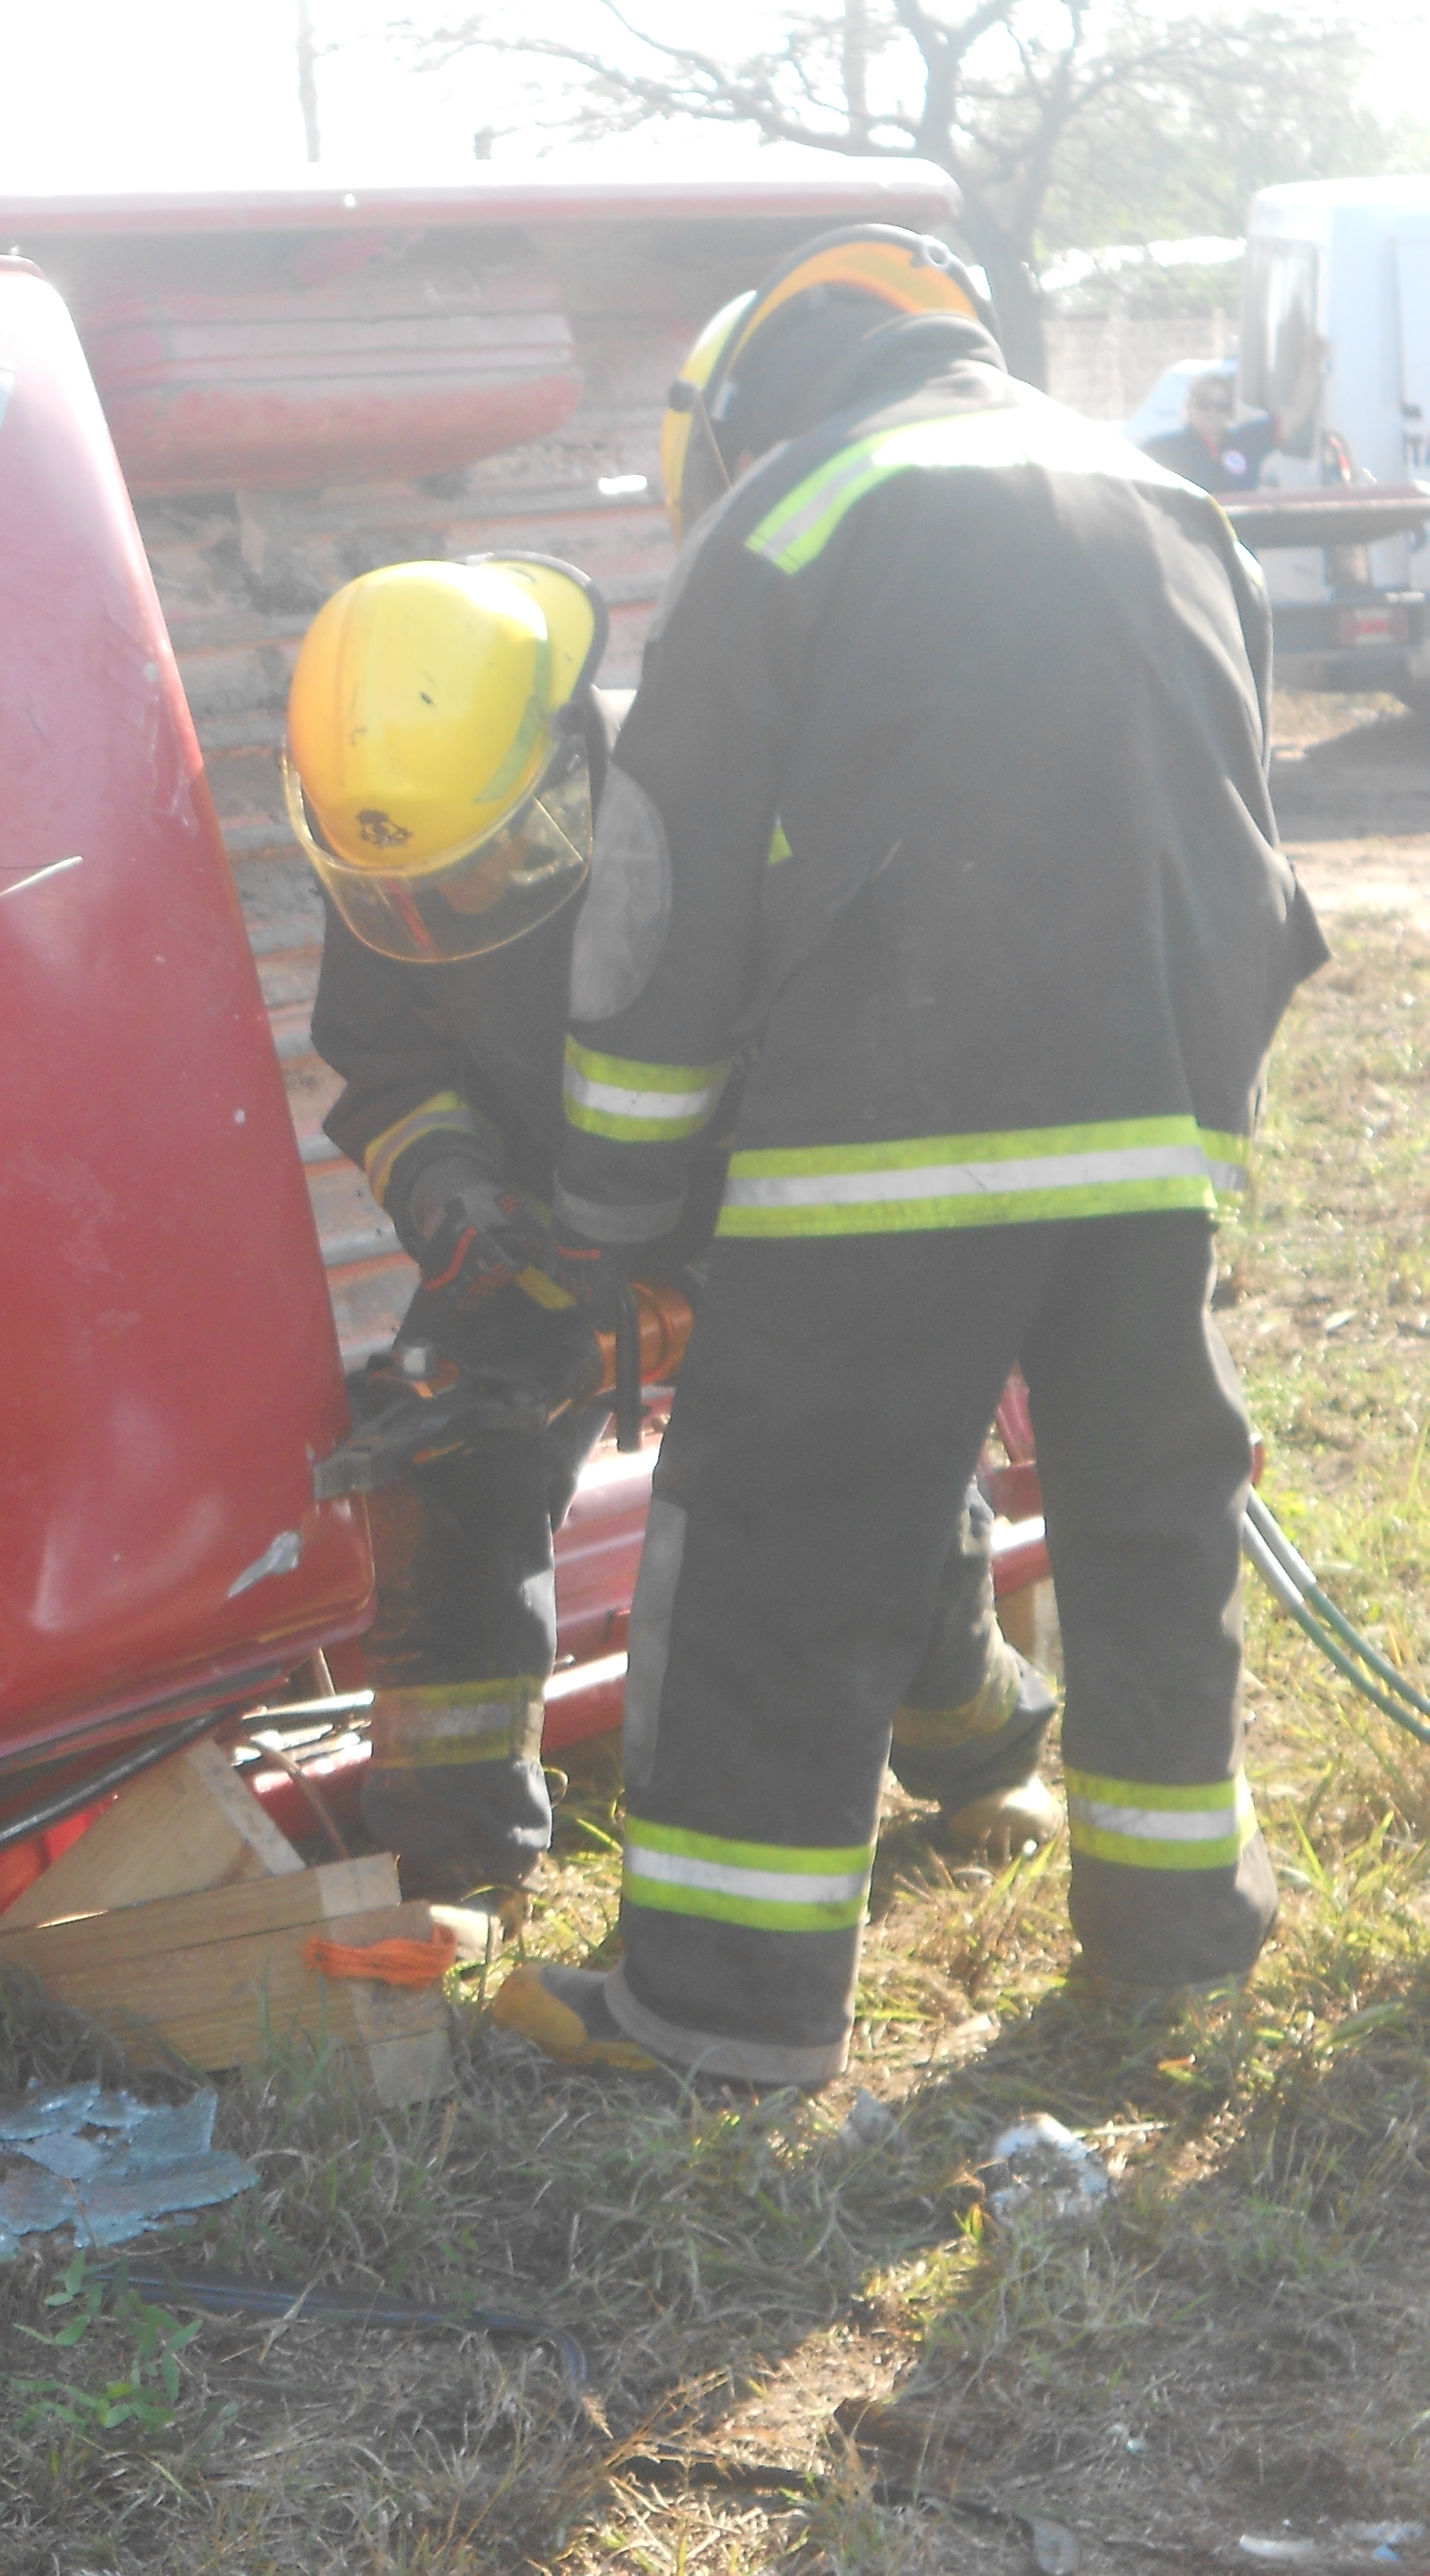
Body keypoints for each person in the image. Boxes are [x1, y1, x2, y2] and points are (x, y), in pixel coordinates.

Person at [498, 227, 1327, 2082]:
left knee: (782, 1531)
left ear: (746, 414)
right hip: (1161, 1113)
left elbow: (664, 882)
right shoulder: (1171, 498)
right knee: (1147, 1518)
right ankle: (1176, 1941)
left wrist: (618, 1197)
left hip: (896, 1111)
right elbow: (1235, 818)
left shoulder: (792, 514)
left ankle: (719, 2011)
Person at [288, 553, 1057, 1916]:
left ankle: (978, 1756)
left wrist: (698, 1291)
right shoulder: (400, 838)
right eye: (411, 888)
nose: (444, 907)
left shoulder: (725, 808)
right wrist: (451, 1198)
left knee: (862, 1462)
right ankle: (460, 1861)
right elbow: (393, 1068)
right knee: (447, 1453)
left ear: (558, 759)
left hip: (760, 1196)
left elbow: (839, 1064)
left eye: (482, 865)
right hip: (532, 1222)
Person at [1140, 367, 1273, 498]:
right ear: (1189, 406)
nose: (1212, 412)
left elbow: (1284, 419)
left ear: (1231, 410)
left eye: (1221, 406)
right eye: (1203, 404)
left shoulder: (1247, 442)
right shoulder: (1163, 448)